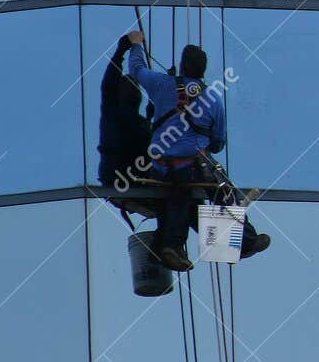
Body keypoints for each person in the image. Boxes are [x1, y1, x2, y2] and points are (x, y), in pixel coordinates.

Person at [125, 30, 270, 271]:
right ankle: (245, 241)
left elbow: (137, 69)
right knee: (223, 193)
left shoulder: (162, 84)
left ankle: (173, 246)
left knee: (181, 199)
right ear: (203, 71)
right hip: (192, 167)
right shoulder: (213, 100)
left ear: (183, 66)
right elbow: (217, 143)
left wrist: (136, 44)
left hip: (160, 166)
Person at [98, 32, 152, 187]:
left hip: (134, 177)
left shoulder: (140, 121)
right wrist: (121, 50)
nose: (135, 88)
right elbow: (109, 84)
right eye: (130, 85)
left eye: (136, 86)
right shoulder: (112, 112)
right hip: (119, 177)